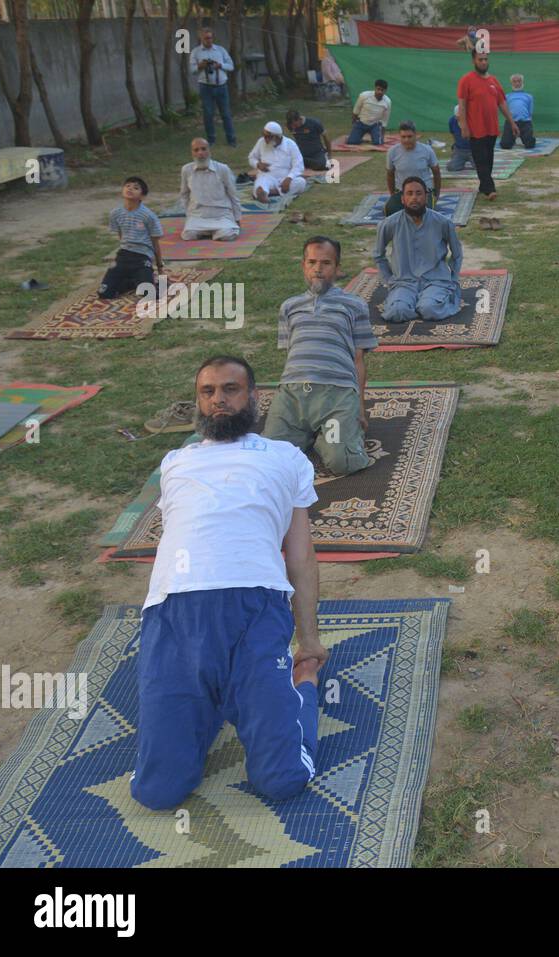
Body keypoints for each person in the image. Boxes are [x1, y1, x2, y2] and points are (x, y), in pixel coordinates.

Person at [130, 354, 325, 810]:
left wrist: (309, 640)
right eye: (208, 391)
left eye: (231, 390)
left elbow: (300, 553)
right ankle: (213, 697)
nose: (219, 399)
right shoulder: (176, 462)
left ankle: (306, 682)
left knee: (282, 780)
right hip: (173, 613)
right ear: (198, 402)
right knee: (157, 792)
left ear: (254, 397)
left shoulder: (286, 457)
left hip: (255, 607)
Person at [263, 237, 377, 478]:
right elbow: (291, 355)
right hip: (293, 398)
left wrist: (360, 407)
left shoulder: (354, 305)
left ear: (337, 268)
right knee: (269, 459)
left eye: (326, 263)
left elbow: (359, 359)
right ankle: (308, 431)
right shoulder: (289, 307)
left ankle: (330, 434)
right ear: (303, 266)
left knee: (342, 461)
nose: (318, 269)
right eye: (312, 262)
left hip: (335, 397)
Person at [374, 177, 464, 325]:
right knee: (397, 312)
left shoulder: (442, 222)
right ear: (402, 199)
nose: (414, 198)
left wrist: (453, 279)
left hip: (436, 280)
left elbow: (457, 254)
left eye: (418, 193)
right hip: (404, 281)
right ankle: (411, 304)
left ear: (426, 197)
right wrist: (389, 279)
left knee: (429, 309)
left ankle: (431, 301)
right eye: (409, 194)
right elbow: (378, 255)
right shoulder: (389, 224)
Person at [457, 50, 519, 200]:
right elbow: (462, 104)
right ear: (474, 61)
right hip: (475, 128)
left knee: (489, 159)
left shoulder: (493, 81)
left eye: (485, 59)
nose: (483, 62)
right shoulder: (466, 80)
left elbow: (502, 103)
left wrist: (512, 122)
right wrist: (464, 125)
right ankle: (490, 189)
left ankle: (483, 185)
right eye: (480, 59)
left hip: (491, 128)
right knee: (481, 159)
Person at [98, 176, 164, 299]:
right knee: (104, 293)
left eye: (136, 188)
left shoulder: (148, 216)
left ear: (142, 196)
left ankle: (141, 278)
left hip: (142, 258)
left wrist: (159, 266)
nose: (130, 189)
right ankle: (132, 281)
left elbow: (155, 243)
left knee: (149, 295)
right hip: (123, 256)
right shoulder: (115, 213)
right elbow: (121, 236)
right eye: (127, 186)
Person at [179, 138, 241, 242]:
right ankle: (210, 232)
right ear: (192, 153)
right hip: (198, 216)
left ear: (209, 151)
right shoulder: (186, 170)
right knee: (188, 235)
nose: (200, 153)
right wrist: (189, 215)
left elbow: (233, 195)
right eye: (196, 150)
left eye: (203, 149)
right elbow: (184, 194)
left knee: (227, 235)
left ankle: (213, 232)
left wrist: (237, 218)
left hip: (221, 215)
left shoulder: (223, 169)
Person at [189, 27, 237, 148]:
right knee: (208, 114)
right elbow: (192, 70)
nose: (208, 40)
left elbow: (231, 66)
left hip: (222, 86)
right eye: (206, 38)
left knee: (226, 114)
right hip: (206, 87)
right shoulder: (196, 52)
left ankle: (231, 139)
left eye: (210, 38)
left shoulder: (220, 50)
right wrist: (200, 66)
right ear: (201, 38)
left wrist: (220, 65)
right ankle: (211, 140)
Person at [383, 121, 441, 217]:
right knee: (389, 211)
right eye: (403, 137)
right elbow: (390, 174)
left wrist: (436, 194)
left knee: (425, 214)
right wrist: (392, 194)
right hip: (402, 191)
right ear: (399, 137)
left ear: (416, 136)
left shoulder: (427, 150)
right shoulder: (392, 152)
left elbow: (437, 173)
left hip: (424, 191)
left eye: (409, 136)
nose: (406, 140)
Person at [248, 121, 307, 203]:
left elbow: (299, 165)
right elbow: (251, 158)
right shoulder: (261, 142)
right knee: (260, 183)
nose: (265, 139)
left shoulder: (290, 144)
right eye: (264, 135)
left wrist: (289, 178)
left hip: (285, 177)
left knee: (301, 182)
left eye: (268, 136)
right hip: (267, 176)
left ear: (277, 136)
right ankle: (263, 193)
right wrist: (258, 164)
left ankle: (268, 193)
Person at [347, 80, 392, 146]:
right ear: (375, 88)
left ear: (385, 91)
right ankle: (357, 137)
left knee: (378, 143)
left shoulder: (387, 101)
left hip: (375, 125)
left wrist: (381, 136)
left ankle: (375, 137)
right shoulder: (364, 96)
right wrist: (355, 125)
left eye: (382, 90)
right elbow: (356, 110)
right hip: (361, 122)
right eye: (378, 89)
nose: (380, 92)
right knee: (352, 142)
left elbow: (385, 120)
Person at [501, 74, 537, 150]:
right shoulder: (507, 96)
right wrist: (511, 121)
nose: (517, 84)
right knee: (505, 145)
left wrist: (527, 121)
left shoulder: (528, 96)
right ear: (511, 83)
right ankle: (513, 138)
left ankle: (525, 137)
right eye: (514, 81)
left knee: (530, 145)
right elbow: (505, 110)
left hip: (525, 123)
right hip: (511, 123)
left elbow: (530, 111)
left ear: (522, 82)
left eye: (519, 81)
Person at [448, 105, 472, 172]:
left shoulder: (472, 121)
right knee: (451, 167)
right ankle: (458, 160)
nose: (458, 117)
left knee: (481, 167)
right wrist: (456, 145)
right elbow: (453, 134)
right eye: (457, 116)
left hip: (473, 150)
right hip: (460, 150)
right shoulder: (452, 121)